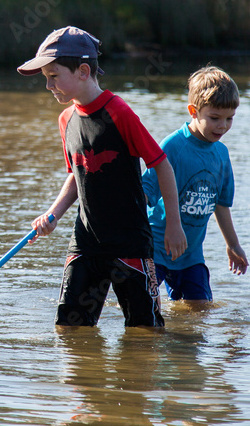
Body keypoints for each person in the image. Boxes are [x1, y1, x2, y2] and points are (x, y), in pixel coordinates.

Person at [18, 26, 187, 327]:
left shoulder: (119, 112)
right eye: (45, 78)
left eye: (53, 76)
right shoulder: (66, 119)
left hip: (129, 243)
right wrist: (53, 214)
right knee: (70, 329)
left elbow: (162, 165)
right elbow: (76, 175)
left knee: (144, 332)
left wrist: (173, 225)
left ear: (83, 70)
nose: (48, 85)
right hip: (86, 243)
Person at [142, 66, 248, 306]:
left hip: (191, 255)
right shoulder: (173, 146)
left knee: (200, 313)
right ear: (193, 111)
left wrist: (233, 245)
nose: (222, 126)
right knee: (145, 313)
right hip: (156, 249)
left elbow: (221, 204)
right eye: (214, 118)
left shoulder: (221, 154)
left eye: (229, 118)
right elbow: (145, 191)